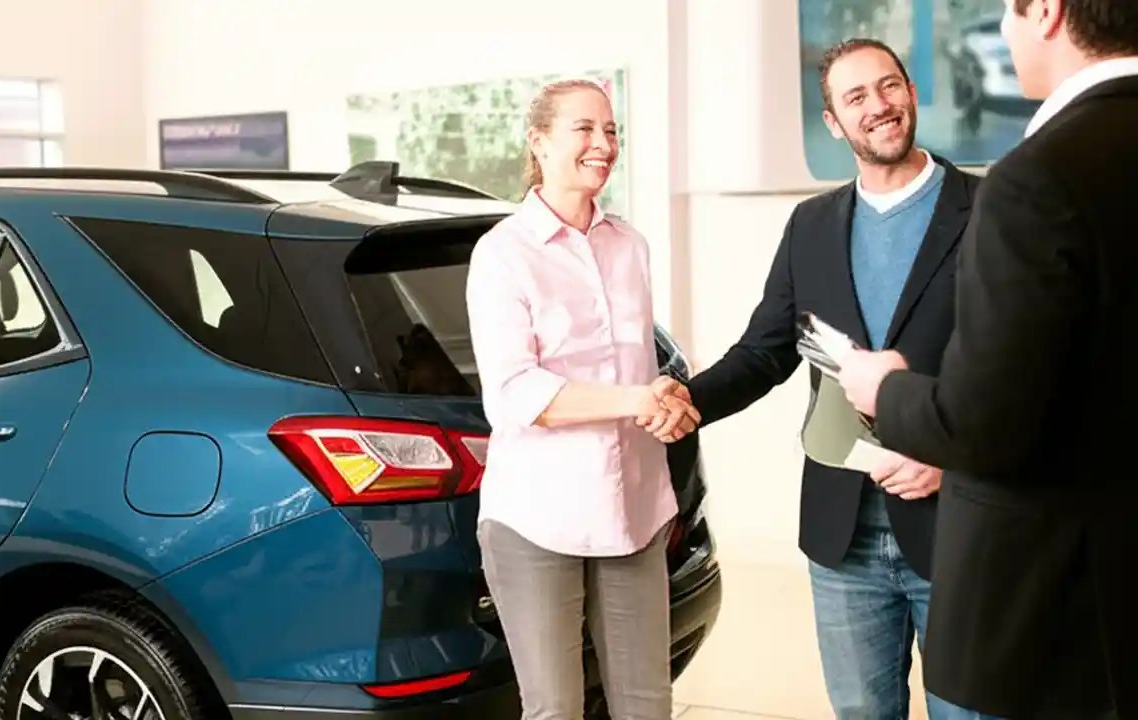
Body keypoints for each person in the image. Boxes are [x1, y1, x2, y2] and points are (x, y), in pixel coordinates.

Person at [662, 39, 993, 719]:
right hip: (843, 533)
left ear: (910, 91)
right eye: (856, 97)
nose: (879, 106)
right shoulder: (812, 225)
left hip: (961, 525)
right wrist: (684, 401)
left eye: (889, 86)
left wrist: (953, 457)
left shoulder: (988, 210)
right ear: (835, 122)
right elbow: (766, 352)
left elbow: (1023, 367)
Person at [836, 0, 1138, 717]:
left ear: (1046, 13)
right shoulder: (814, 222)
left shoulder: (1034, 178)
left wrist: (886, 389)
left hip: (1061, 612)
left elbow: (985, 422)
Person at [464, 78, 699, 720]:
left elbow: (638, 367)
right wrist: (635, 399)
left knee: (647, 705)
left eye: (612, 130)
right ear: (539, 142)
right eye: (585, 129)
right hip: (537, 517)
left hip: (634, 509)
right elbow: (516, 395)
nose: (603, 144)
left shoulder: (630, 246)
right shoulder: (502, 255)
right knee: (556, 710)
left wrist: (668, 402)